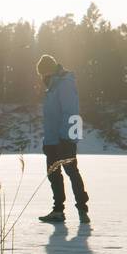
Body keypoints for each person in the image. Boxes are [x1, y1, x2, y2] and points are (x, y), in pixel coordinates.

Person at [36, 54, 90, 223]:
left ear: (48, 72)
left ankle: (82, 209)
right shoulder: (52, 87)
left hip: (64, 138)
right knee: (53, 174)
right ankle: (58, 210)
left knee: (71, 171)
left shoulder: (64, 84)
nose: (41, 78)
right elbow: (51, 117)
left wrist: (66, 138)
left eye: (42, 74)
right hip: (52, 139)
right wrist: (48, 141)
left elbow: (71, 112)